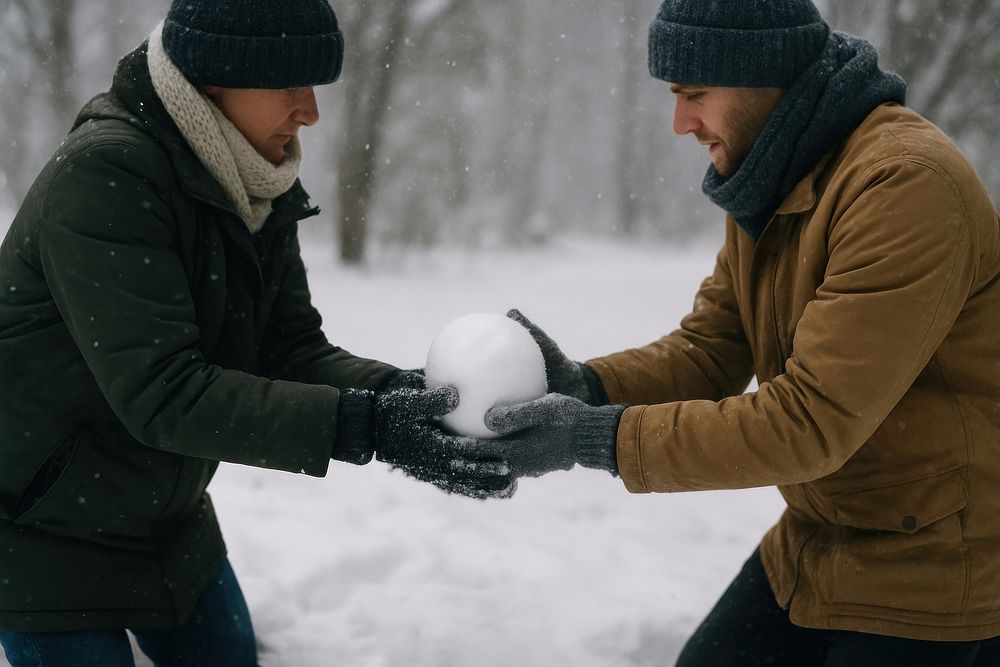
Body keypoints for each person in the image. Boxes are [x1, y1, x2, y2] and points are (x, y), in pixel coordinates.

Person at [431, 0, 1000, 664]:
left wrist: (590, 438)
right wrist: (585, 385)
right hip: (819, 540)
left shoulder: (901, 186)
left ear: (763, 77)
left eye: (693, 95)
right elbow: (709, 350)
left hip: (935, 564)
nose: (680, 123)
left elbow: (810, 421)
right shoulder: (775, 173)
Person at [0, 0, 507, 665]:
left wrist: (409, 398)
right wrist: (368, 426)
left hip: (168, 521)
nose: (310, 112)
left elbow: (289, 348)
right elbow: (166, 392)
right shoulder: (108, 174)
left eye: (316, 86)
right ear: (216, 77)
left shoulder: (253, 178)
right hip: (41, 528)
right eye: (289, 86)